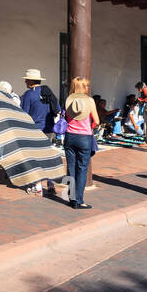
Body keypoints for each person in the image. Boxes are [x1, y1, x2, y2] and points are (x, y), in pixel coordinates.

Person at [61, 77, 99, 209]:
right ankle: (79, 200)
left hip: (70, 136)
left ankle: (72, 199)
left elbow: (66, 117)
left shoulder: (69, 100)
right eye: (87, 85)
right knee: (82, 169)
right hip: (84, 137)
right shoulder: (90, 101)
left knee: (71, 169)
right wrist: (89, 127)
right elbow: (97, 121)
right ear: (83, 87)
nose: (88, 87)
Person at [19, 69, 54, 136]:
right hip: (49, 129)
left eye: (27, 79)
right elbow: (57, 109)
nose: (25, 81)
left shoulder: (28, 94)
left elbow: (24, 114)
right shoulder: (48, 92)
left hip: (34, 130)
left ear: (31, 81)